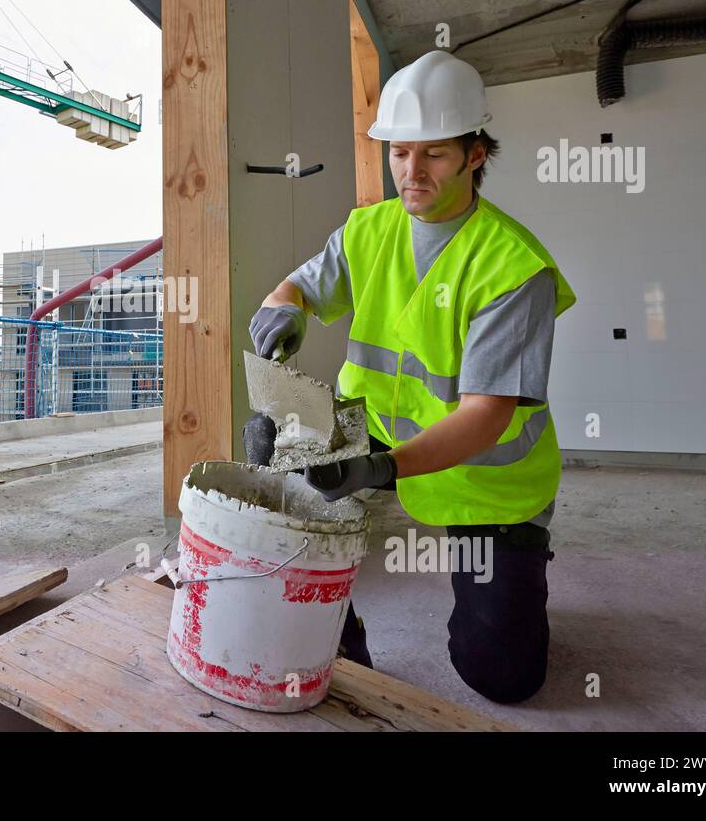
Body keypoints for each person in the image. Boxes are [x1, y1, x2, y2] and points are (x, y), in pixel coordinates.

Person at [246, 50, 576, 704]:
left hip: (488, 479)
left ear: (475, 154)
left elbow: (487, 417)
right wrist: (281, 312)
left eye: (433, 154)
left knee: (503, 676)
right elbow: (297, 290)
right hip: (370, 434)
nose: (410, 171)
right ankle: (341, 633)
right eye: (399, 152)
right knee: (282, 487)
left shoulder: (513, 269)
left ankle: (504, 592)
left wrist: (379, 468)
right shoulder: (369, 229)